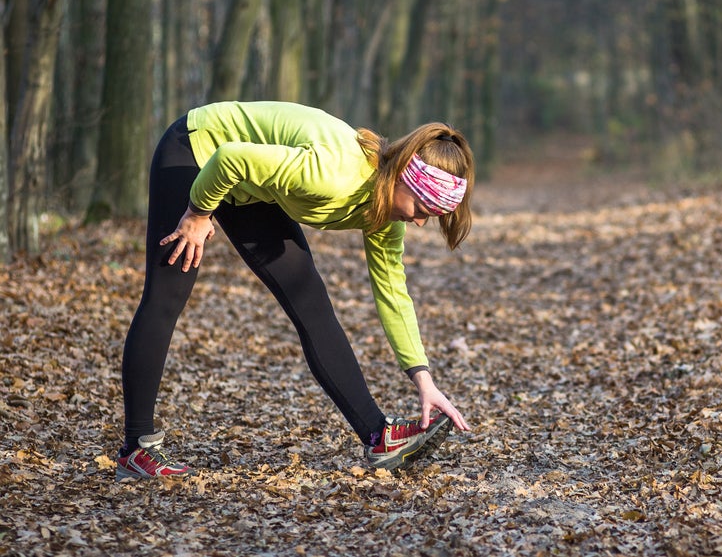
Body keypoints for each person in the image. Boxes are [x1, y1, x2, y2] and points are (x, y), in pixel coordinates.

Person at [115, 101, 474, 480]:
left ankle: (378, 435)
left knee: (311, 303)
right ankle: (137, 448)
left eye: (430, 217)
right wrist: (198, 213)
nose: (419, 222)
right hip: (197, 151)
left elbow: (393, 293)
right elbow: (229, 158)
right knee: (167, 295)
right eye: (421, 207)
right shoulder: (333, 175)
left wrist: (423, 378)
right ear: (402, 176)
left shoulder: (385, 213)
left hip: (250, 187)